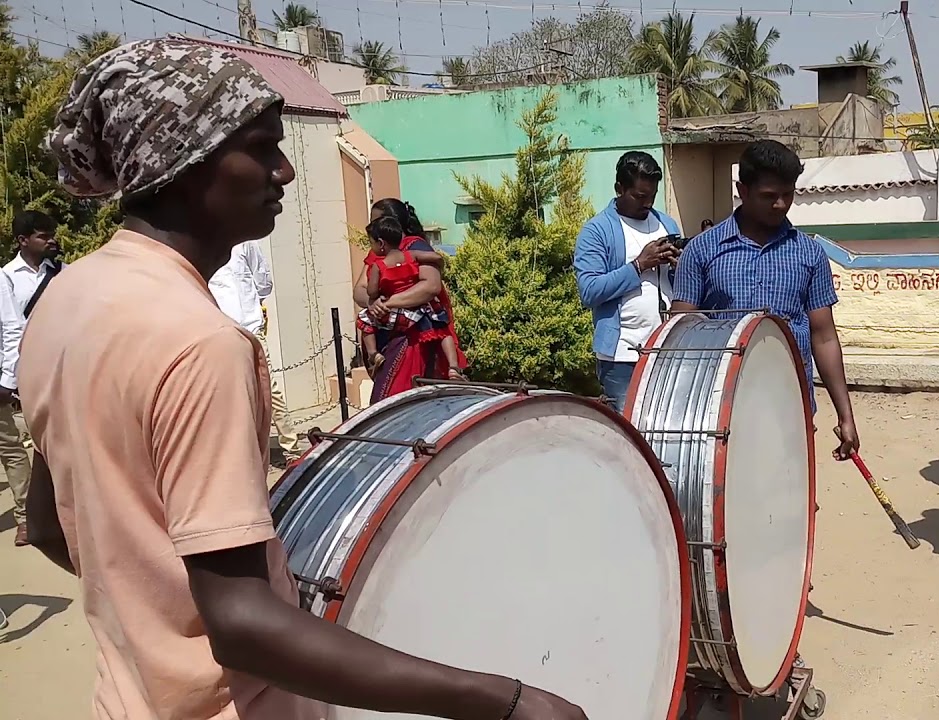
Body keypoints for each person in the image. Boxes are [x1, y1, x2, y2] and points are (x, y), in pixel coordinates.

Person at [24, 38, 584, 720]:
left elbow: (51, 528)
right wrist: (503, 698)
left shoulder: (67, 299)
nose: (283, 170)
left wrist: (148, 611)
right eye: (261, 147)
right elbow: (240, 621)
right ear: (183, 164)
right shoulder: (199, 343)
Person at [671, 140, 860, 460]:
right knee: (727, 504)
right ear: (742, 190)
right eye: (769, 196)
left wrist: (846, 415)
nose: (781, 205)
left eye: (788, 194)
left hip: (790, 404)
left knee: (791, 503)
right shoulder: (702, 250)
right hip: (722, 409)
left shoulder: (809, 254)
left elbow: (824, 336)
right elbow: (680, 332)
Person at [573, 151, 682, 411]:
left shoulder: (666, 224)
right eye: (640, 197)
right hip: (622, 357)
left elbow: (680, 284)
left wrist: (680, 266)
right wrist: (639, 265)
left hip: (666, 350)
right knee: (629, 434)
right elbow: (589, 291)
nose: (647, 204)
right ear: (619, 189)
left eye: (653, 196)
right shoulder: (596, 231)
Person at [353, 198, 466, 401]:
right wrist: (373, 303)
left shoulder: (415, 247)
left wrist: (389, 303)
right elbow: (360, 289)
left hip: (413, 337)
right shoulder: (377, 254)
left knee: (398, 397)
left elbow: (431, 286)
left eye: (375, 222)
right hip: (387, 332)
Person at [208, 238, 302, 465]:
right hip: (216, 328)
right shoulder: (202, 240)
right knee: (228, 391)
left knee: (269, 388)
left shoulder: (244, 241)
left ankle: (292, 448)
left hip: (249, 326)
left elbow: (263, 282)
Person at [0, 210, 62, 546]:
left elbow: (10, 328)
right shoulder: (10, 276)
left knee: (50, 440)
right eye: (43, 235)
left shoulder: (62, 272)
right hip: (30, 367)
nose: (51, 240)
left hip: (58, 364)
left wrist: (7, 377)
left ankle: (35, 514)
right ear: (23, 241)